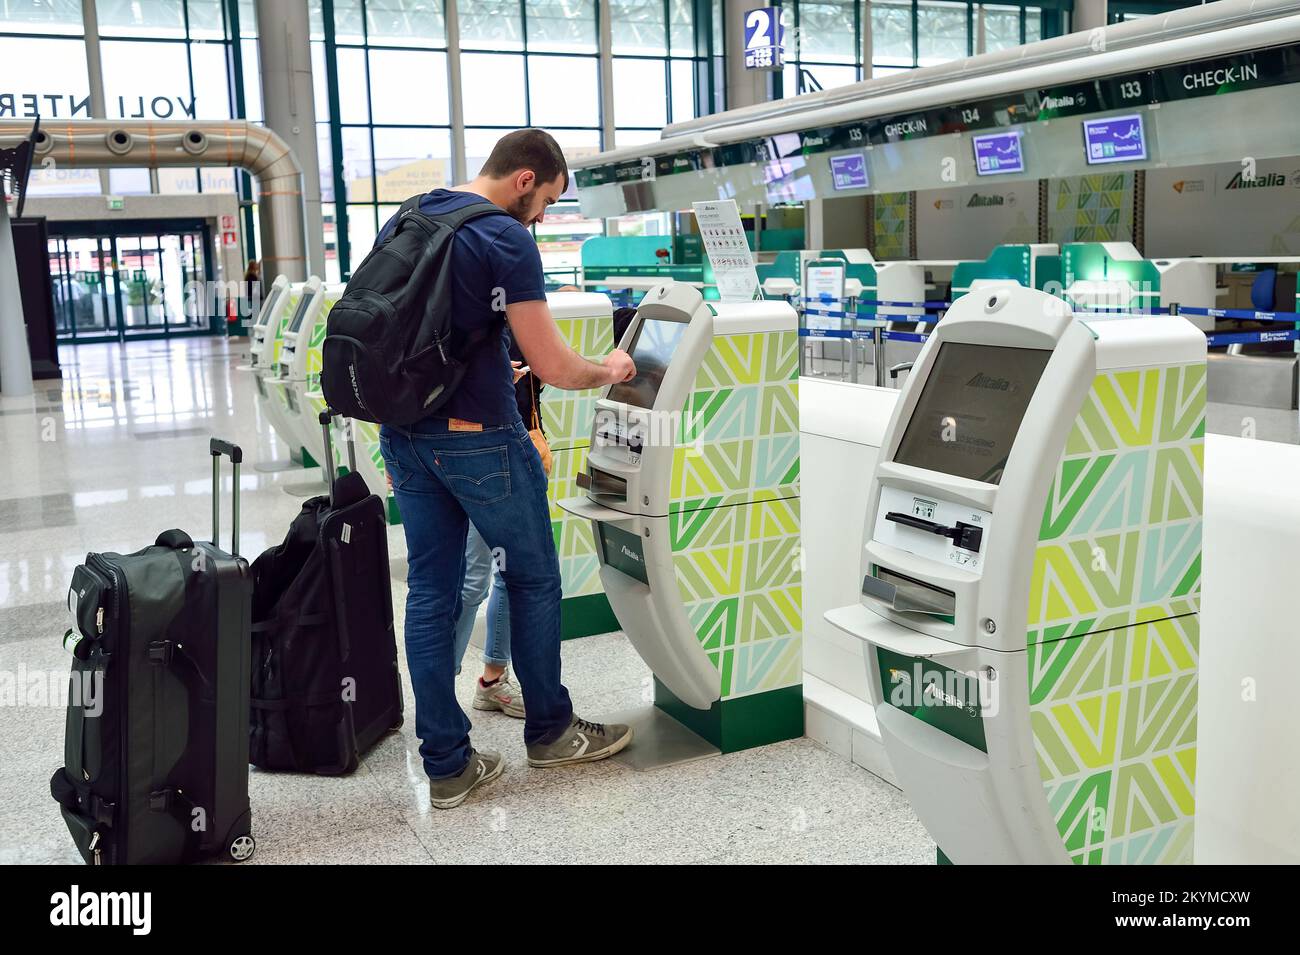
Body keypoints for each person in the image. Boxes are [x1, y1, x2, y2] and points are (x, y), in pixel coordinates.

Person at [377, 129, 638, 810]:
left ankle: (448, 763)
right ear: (525, 179)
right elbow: (556, 365)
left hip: (406, 434)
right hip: (481, 440)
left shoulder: (412, 214)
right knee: (532, 576)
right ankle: (551, 731)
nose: (544, 216)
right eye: (547, 200)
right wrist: (609, 368)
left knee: (431, 589)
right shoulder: (504, 237)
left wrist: (490, 360)